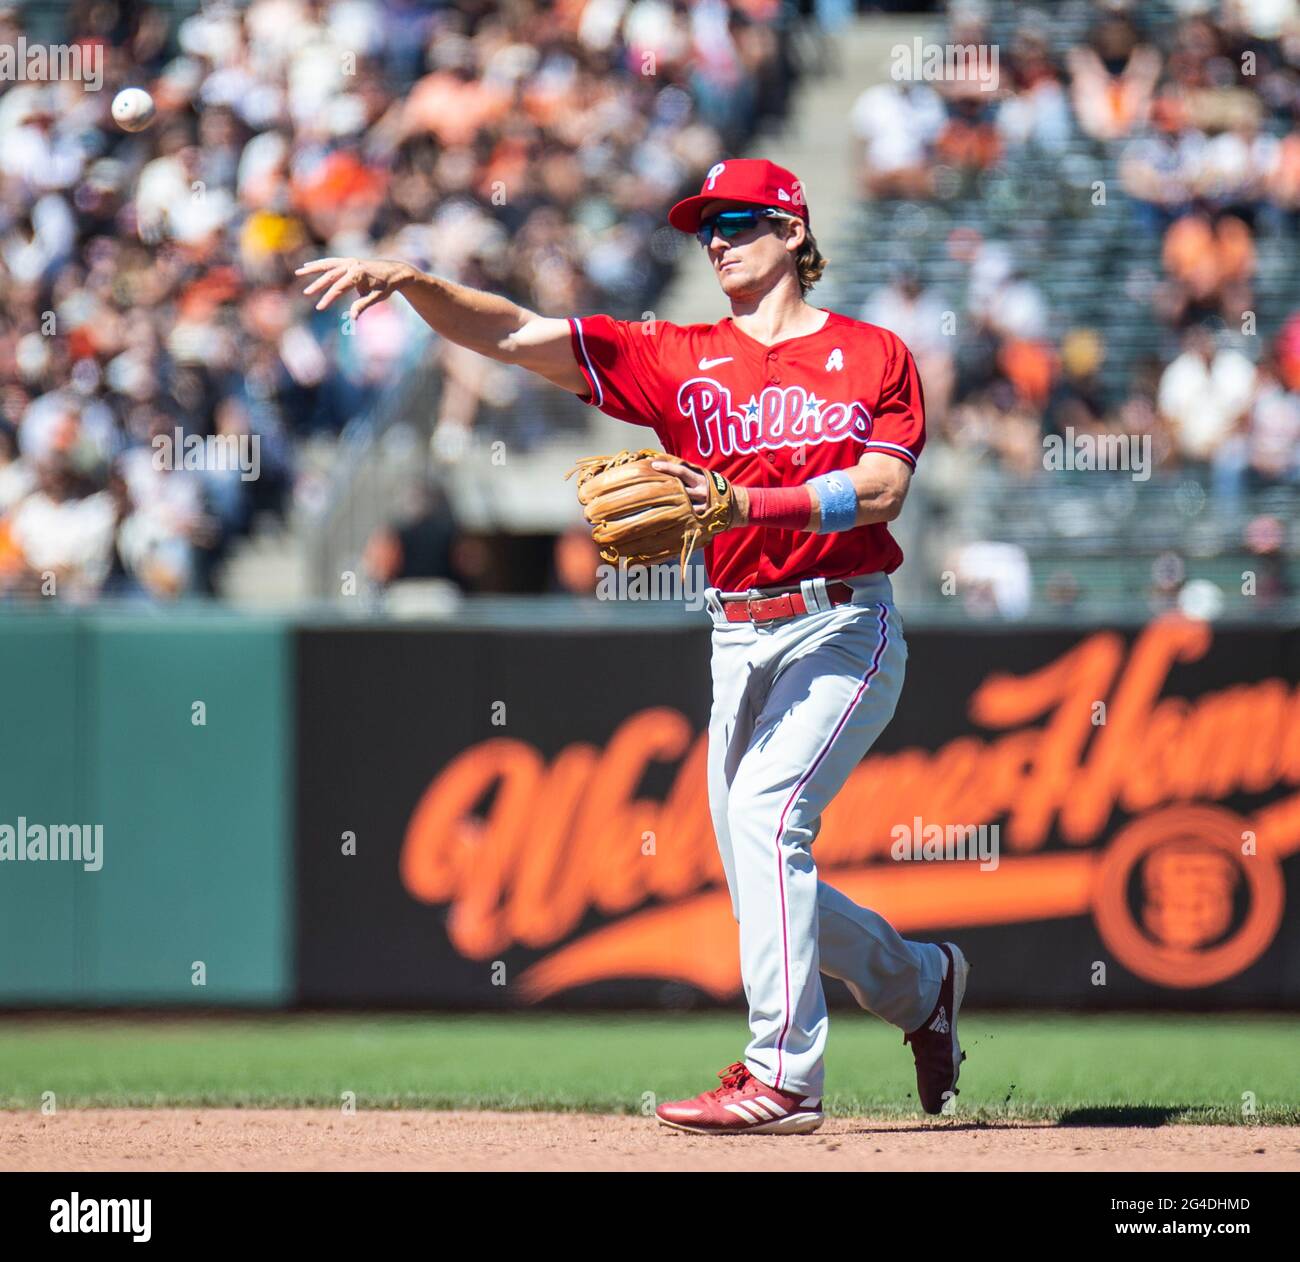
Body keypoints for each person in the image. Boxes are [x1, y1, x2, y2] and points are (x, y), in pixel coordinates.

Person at [297, 158, 968, 1137]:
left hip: (841, 620)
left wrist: (742, 500)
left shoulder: (871, 353)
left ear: (792, 230)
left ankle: (783, 1075)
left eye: (736, 221)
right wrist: (411, 282)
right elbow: (514, 333)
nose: (717, 241)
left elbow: (880, 492)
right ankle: (921, 984)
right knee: (757, 871)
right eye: (705, 228)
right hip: (734, 633)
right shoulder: (675, 351)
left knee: (766, 814)